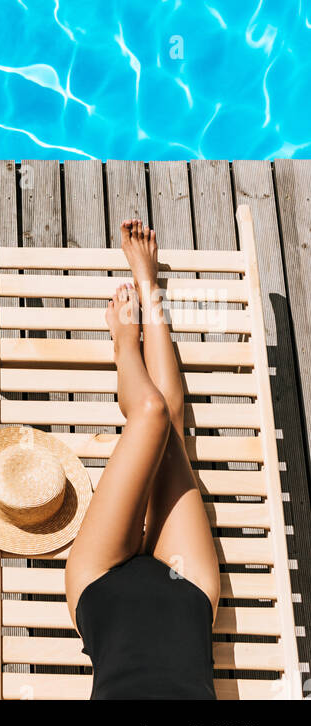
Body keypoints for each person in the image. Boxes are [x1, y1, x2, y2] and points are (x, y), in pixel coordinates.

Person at [64, 220, 220, 700]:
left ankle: (124, 346)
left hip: (101, 585)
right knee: (170, 425)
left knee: (150, 414)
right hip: (188, 597)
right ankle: (149, 288)